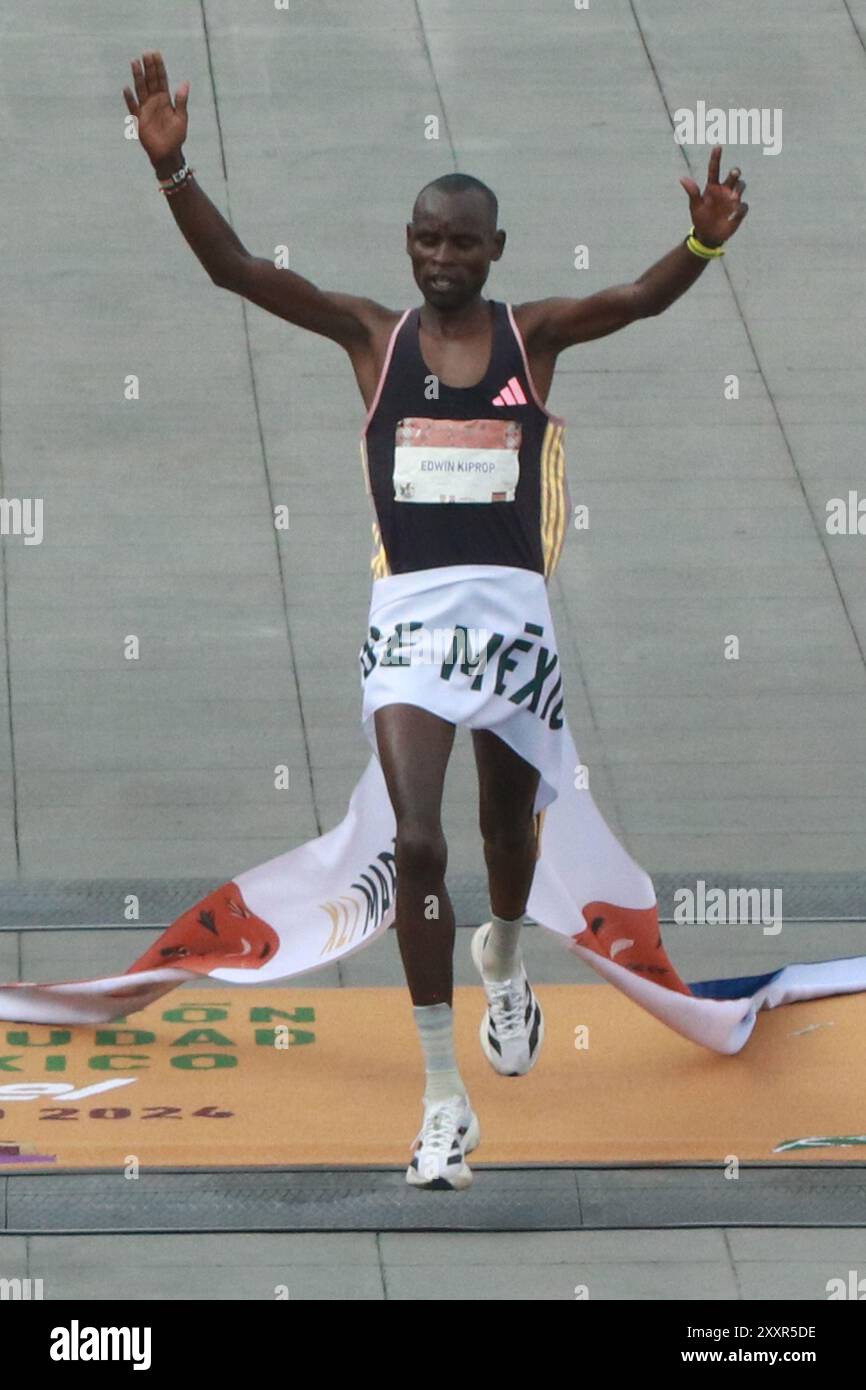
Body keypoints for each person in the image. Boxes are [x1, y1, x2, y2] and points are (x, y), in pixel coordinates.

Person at [123, 50, 748, 1190]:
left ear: (494, 252)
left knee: (508, 838)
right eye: (425, 238)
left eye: (462, 241)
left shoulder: (532, 337)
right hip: (408, 622)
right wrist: (172, 172)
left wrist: (703, 241)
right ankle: (443, 1099)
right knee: (418, 840)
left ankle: (503, 954)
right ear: (406, 244)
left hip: (509, 623)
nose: (442, 258)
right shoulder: (371, 338)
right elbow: (236, 272)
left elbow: (639, 299)